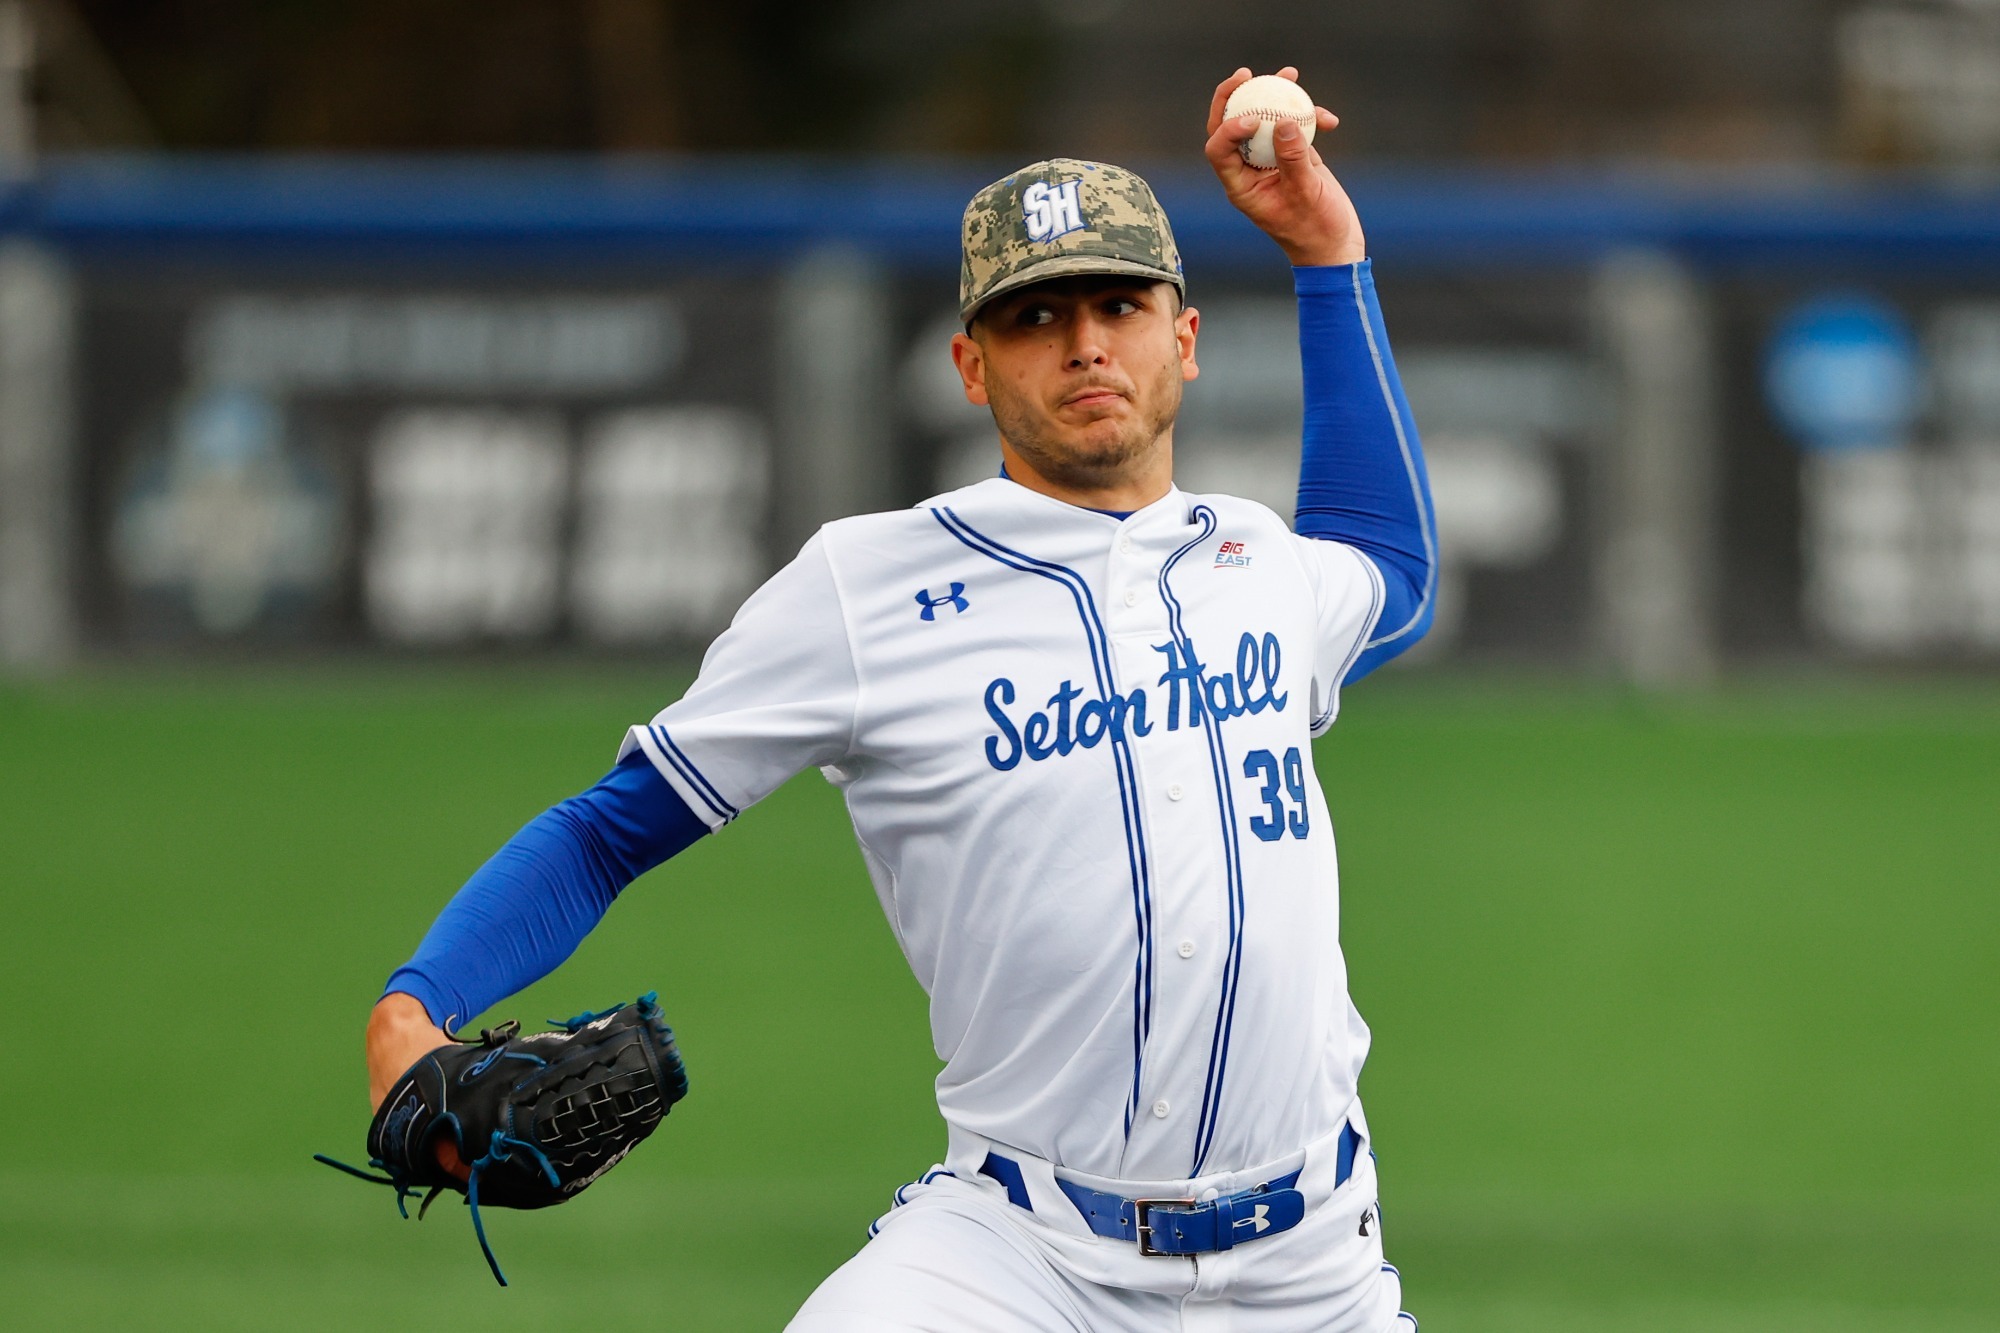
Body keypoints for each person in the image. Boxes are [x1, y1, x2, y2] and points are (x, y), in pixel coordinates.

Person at [363, 66, 1435, 1331]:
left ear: (1183, 341)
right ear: (970, 366)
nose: (1085, 342)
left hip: (1310, 1269)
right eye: (1034, 316)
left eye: (1118, 303)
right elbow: (609, 829)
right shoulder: (863, 588)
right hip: (1021, 1256)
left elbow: (1390, 566)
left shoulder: (1255, 561)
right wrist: (412, 1008)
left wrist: (1325, 250)